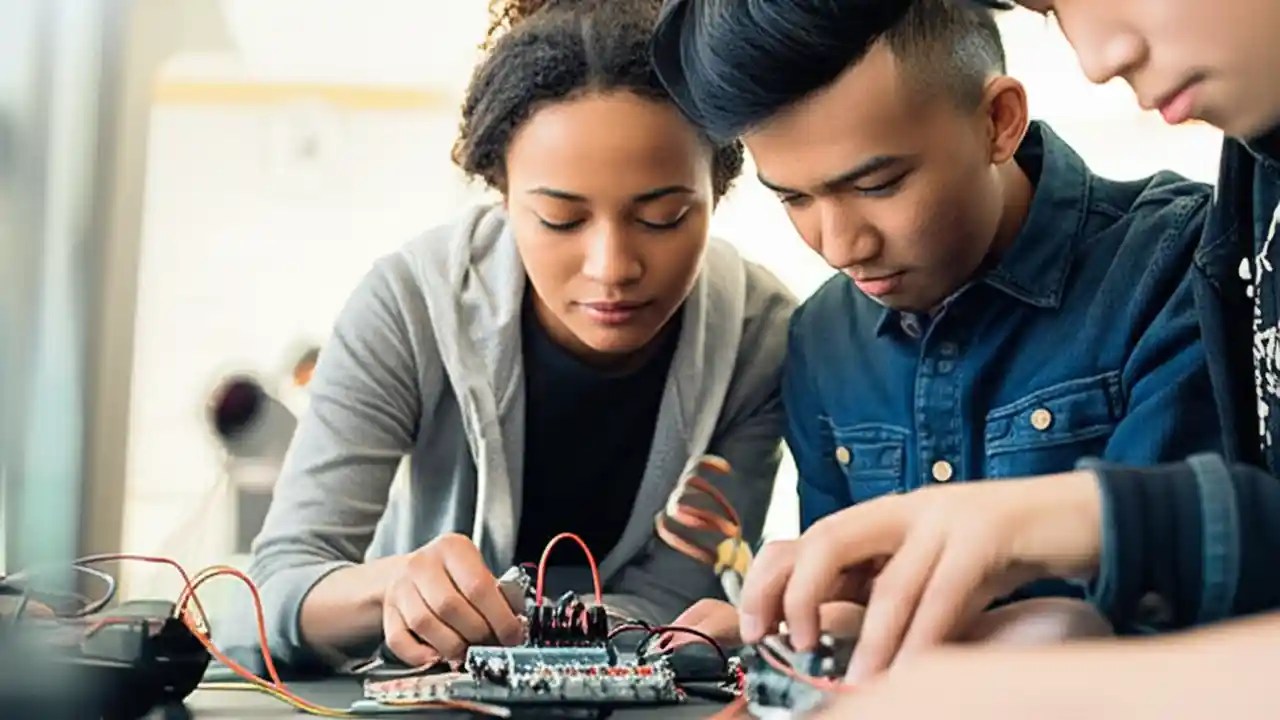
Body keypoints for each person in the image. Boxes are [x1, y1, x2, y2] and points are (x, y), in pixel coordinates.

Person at [670, 0, 1280, 714]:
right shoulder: (819, 339)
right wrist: (803, 636)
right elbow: (843, 596)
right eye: (795, 200)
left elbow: (1197, 586)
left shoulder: (1181, 264)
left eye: (877, 185)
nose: (841, 246)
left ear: (998, 121)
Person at [231, 0, 796, 673]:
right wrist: (392, 589)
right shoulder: (409, 305)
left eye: (665, 217)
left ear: (719, 186)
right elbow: (270, 595)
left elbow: (676, 600)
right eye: (560, 219)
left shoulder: (761, 340)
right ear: (500, 192)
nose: (612, 268)